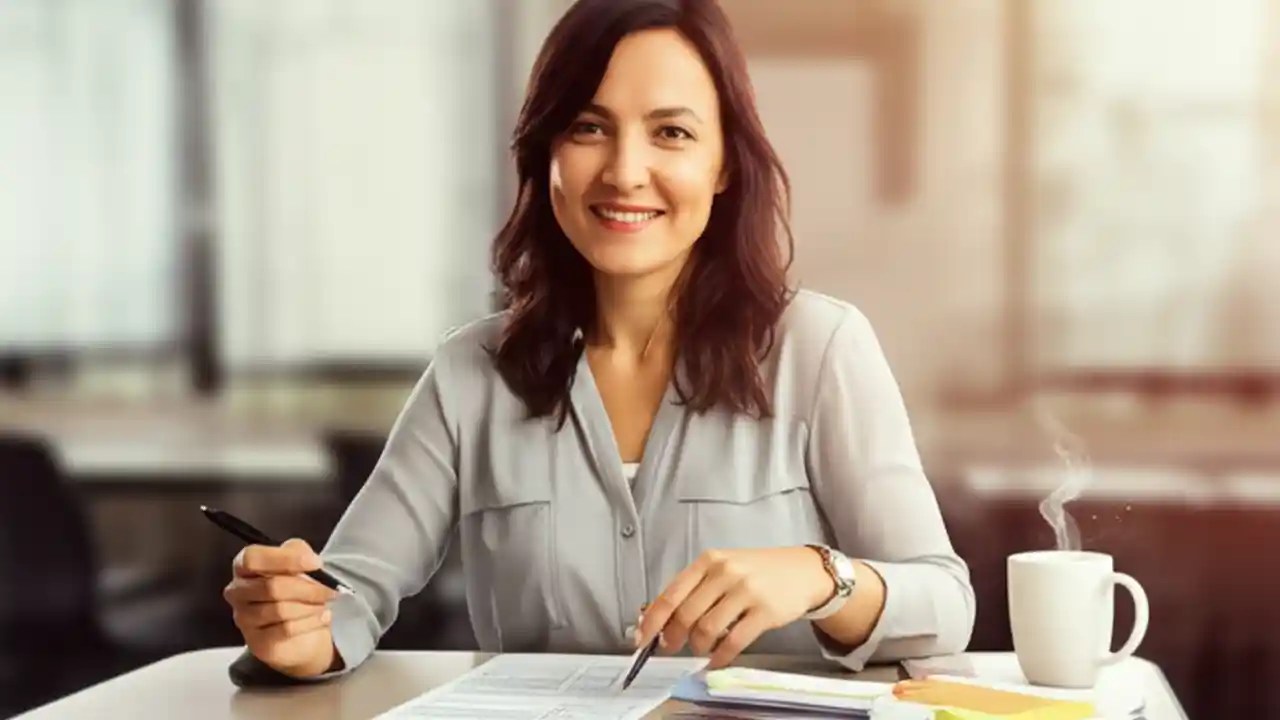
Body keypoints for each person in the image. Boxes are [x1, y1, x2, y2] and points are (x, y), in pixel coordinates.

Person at [222, 0, 974, 681]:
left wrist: (822, 576)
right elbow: (348, 594)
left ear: (722, 167)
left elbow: (945, 604)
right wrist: (296, 628)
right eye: (588, 127)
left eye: (671, 133)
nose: (624, 171)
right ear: (545, 153)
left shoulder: (821, 347)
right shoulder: (470, 374)